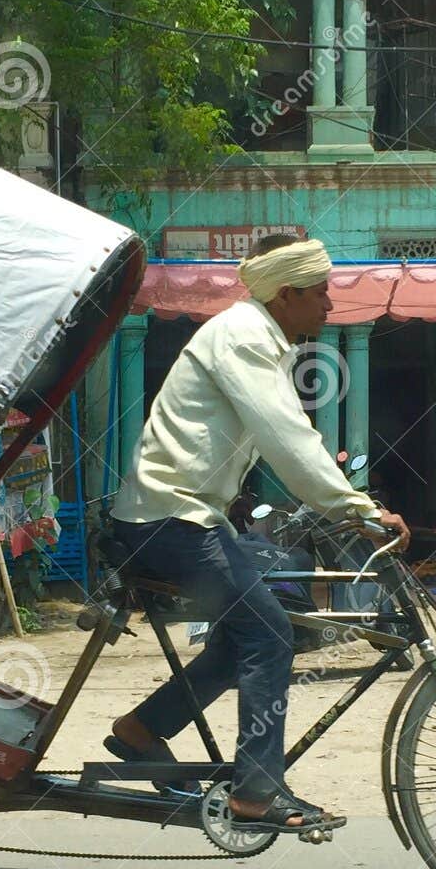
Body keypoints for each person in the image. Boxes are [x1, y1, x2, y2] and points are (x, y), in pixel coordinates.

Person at [105, 235, 409, 832]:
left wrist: (343, 503)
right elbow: (286, 436)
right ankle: (256, 796)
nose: (328, 305)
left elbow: (280, 436)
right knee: (270, 633)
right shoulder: (243, 337)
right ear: (288, 293)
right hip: (167, 520)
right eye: (319, 293)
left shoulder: (259, 338)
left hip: (187, 516)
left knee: (258, 628)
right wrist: (356, 507)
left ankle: (143, 730)